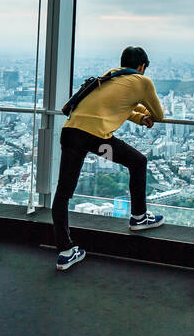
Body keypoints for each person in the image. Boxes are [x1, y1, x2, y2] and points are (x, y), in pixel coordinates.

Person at [50, 46, 167, 270]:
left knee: (63, 192)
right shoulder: (142, 82)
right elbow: (159, 115)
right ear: (142, 66)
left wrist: (139, 116)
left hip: (72, 133)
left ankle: (65, 251)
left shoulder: (110, 76)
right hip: (97, 139)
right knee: (138, 161)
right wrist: (147, 114)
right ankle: (139, 217)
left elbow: (119, 106)